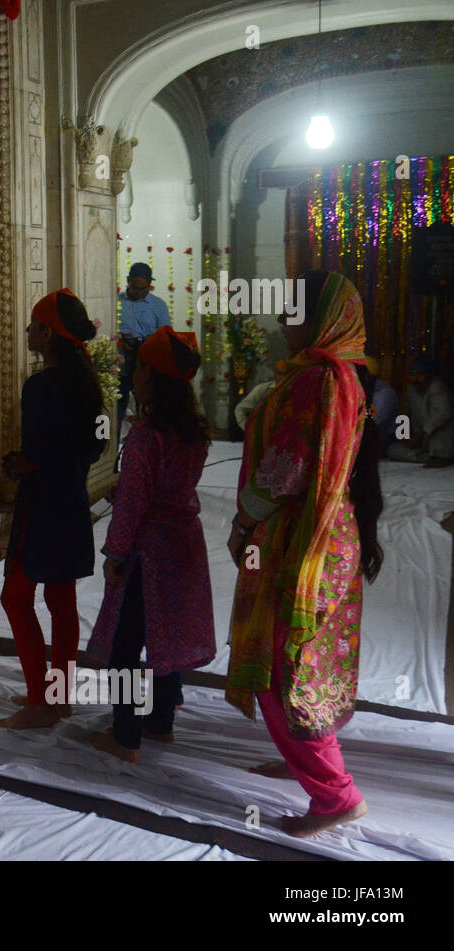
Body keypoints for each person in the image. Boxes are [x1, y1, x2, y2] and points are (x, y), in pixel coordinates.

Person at [226, 270, 382, 838]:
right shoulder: (342, 378)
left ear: (320, 319)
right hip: (327, 533)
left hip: (299, 539)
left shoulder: (313, 380)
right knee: (307, 660)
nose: (284, 321)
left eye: (295, 311)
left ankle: (335, 794)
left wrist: (244, 518)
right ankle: (304, 757)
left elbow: (284, 469)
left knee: (280, 666)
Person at [85, 326, 215, 761]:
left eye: (140, 366)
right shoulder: (193, 432)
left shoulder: (146, 434)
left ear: (153, 377)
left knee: (126, 644)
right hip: (184, 545)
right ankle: (160, 723)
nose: (133, 373)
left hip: (149, 552)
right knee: (167, 634)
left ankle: (124, 736)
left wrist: (115, 554)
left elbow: (135, 504)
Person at [0, 288, 106, 730]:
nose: (27, 332)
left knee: (15, 597)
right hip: (72, 502)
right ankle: (58, 697)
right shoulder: (86, 383)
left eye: (33, 325)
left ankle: (40, 701)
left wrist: (25, 464)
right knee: (61, 600)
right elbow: (92, 446)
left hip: (42, 504)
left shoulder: (41, 386)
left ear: (47, 334)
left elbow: (41, 451)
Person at [114, 263, 172, 433]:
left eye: (143, 289)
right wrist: (120, 338)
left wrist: (148, 341)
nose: (138, 293)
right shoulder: (117, 302)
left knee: (147, 410)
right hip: (122, 361)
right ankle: (112, 453)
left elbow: (165, 334)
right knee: (117, 408)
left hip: (146, 363)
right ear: (127, 282)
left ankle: (146, 448)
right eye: (134, 288)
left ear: (149, 285)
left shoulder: (158, 305)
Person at [385, 355, 452, 467]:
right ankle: (430, 458)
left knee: (441, 430)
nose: (415, 378)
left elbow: (443, 413)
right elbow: (408, 414)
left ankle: (441, 457)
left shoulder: (437, 387)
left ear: (430, 375)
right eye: (413, 374)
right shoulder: (412, 390)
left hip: (438, 438)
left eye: (420, 375)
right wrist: (408, 436)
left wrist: (421, 434)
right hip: (423, 441)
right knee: (393, 450)